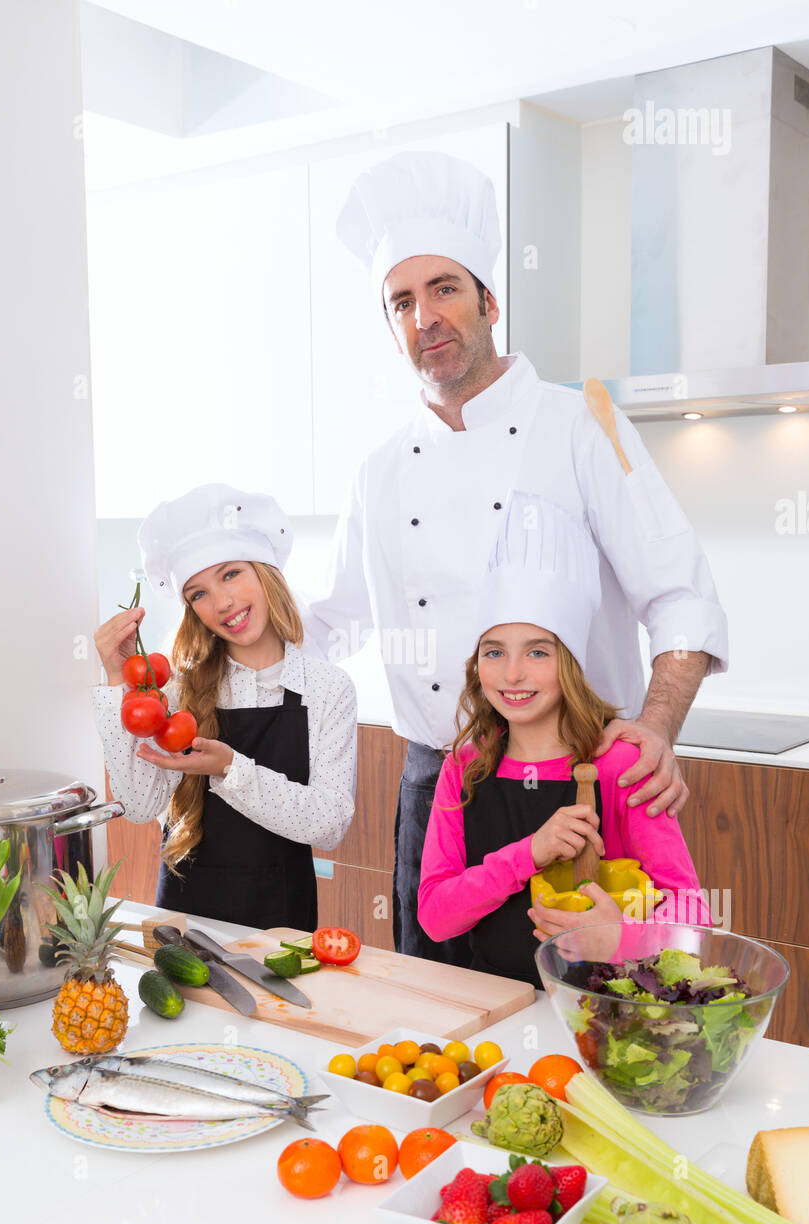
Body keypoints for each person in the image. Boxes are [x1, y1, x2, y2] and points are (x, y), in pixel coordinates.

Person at [303, 149, 727, 967]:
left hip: (584, 783)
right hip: (442, 788)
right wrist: (200, 669)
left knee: (595, 1002)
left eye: (445, 289)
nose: (424, 316)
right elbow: (324, 625)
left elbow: (679, 594)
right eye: (402, 301)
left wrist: (656, 732)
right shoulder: (380, 469)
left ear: (489, 300)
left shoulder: (578, 425)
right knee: (441, 1014)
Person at [416, 493, 711, 985]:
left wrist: (622, 938)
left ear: (571, 663)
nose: (512, 674)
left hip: (603, 1008)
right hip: (497, 1004)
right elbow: (435, 915)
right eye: (493, 652)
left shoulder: (620, 766)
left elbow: (693, 921)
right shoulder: (465, 766)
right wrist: (528, 854)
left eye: (537, 652)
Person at [92, 484, 357, 932]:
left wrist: (230, 768)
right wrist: (119, 682)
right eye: (198, 593)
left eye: (231, 574)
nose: (222, 603)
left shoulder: (327, 687)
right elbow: (139, 806)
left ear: (265, 572)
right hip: (184, 920)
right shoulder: (175, 689)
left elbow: (328, 825)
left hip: (282, 928)